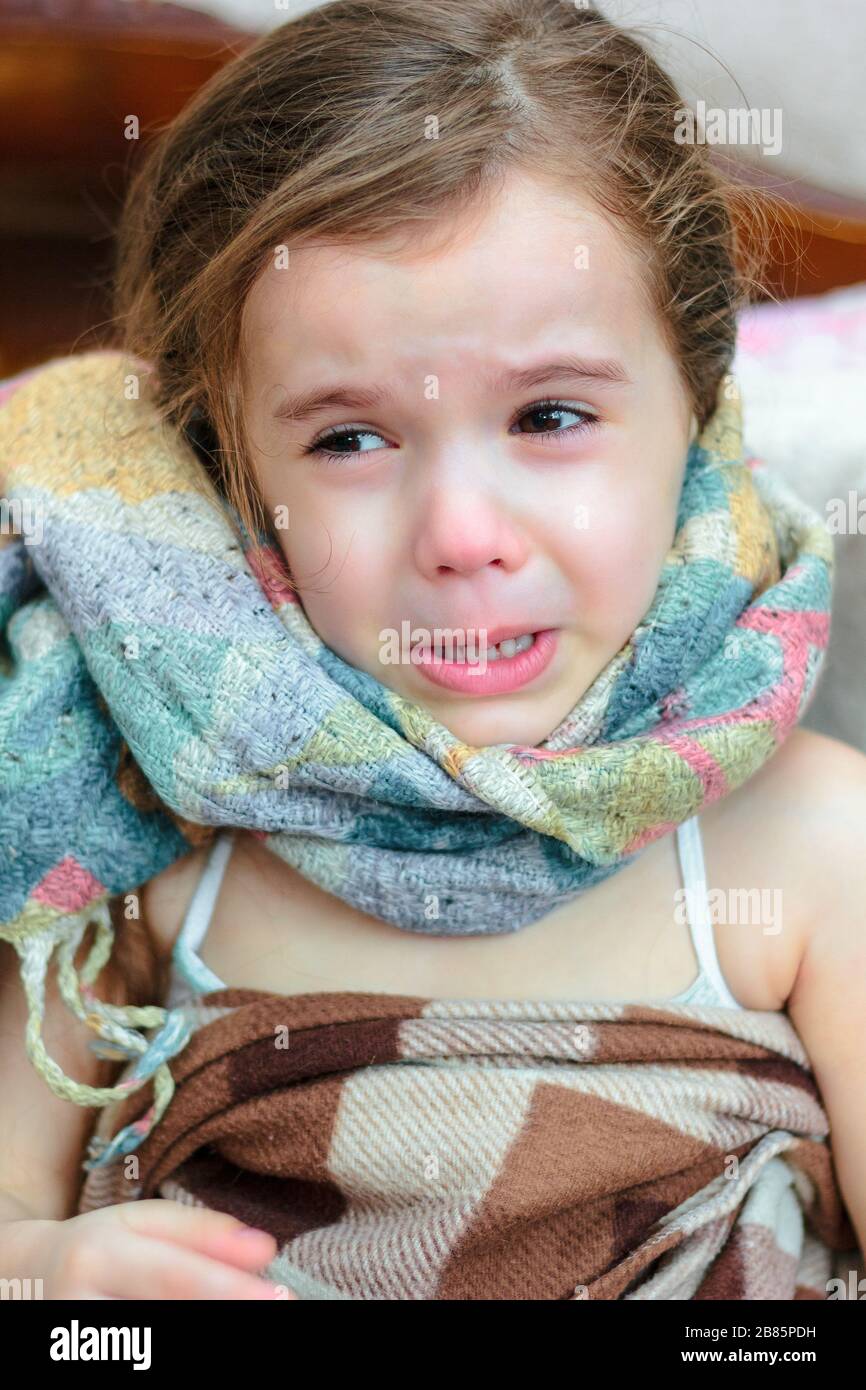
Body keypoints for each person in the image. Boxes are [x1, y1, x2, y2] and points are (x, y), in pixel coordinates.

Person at [1, 0, 864, 1300]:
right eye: (348, 439)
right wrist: (57, 1274)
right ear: (230, 474)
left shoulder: (812, 848)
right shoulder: (142, 828)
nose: (461, 536)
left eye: (550, 416)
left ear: (696, 414)